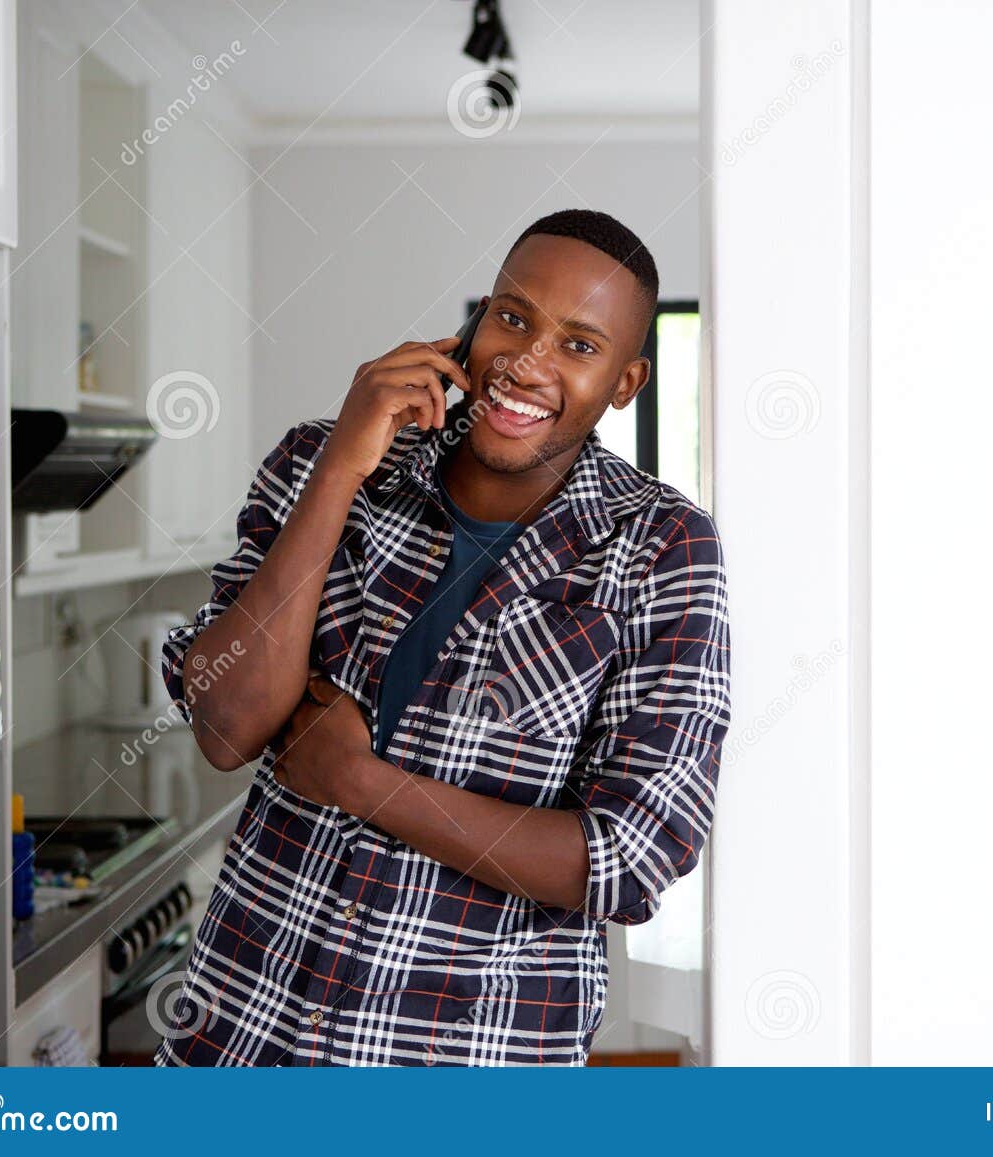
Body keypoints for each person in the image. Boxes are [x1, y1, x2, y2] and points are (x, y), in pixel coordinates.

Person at [152, 209, 732, 1066]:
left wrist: (360, 781)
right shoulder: (326, 458)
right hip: (235, 1039)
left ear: (625, 381)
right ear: (472, 324)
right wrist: (343, 467)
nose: (528, 362)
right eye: (514, 317)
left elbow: (630, 857)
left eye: (579, 345)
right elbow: (227, 724)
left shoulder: (660, 545)